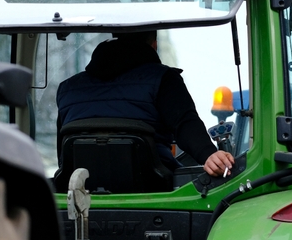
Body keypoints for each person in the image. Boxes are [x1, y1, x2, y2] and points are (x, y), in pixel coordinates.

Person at [57, 31, 234, 177]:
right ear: (154, 45)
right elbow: (185, 123)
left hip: (81, 193)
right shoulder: (163, 79)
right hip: (153, 187)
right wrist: (209, 155)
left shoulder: (67, 88)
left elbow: (63, 155)